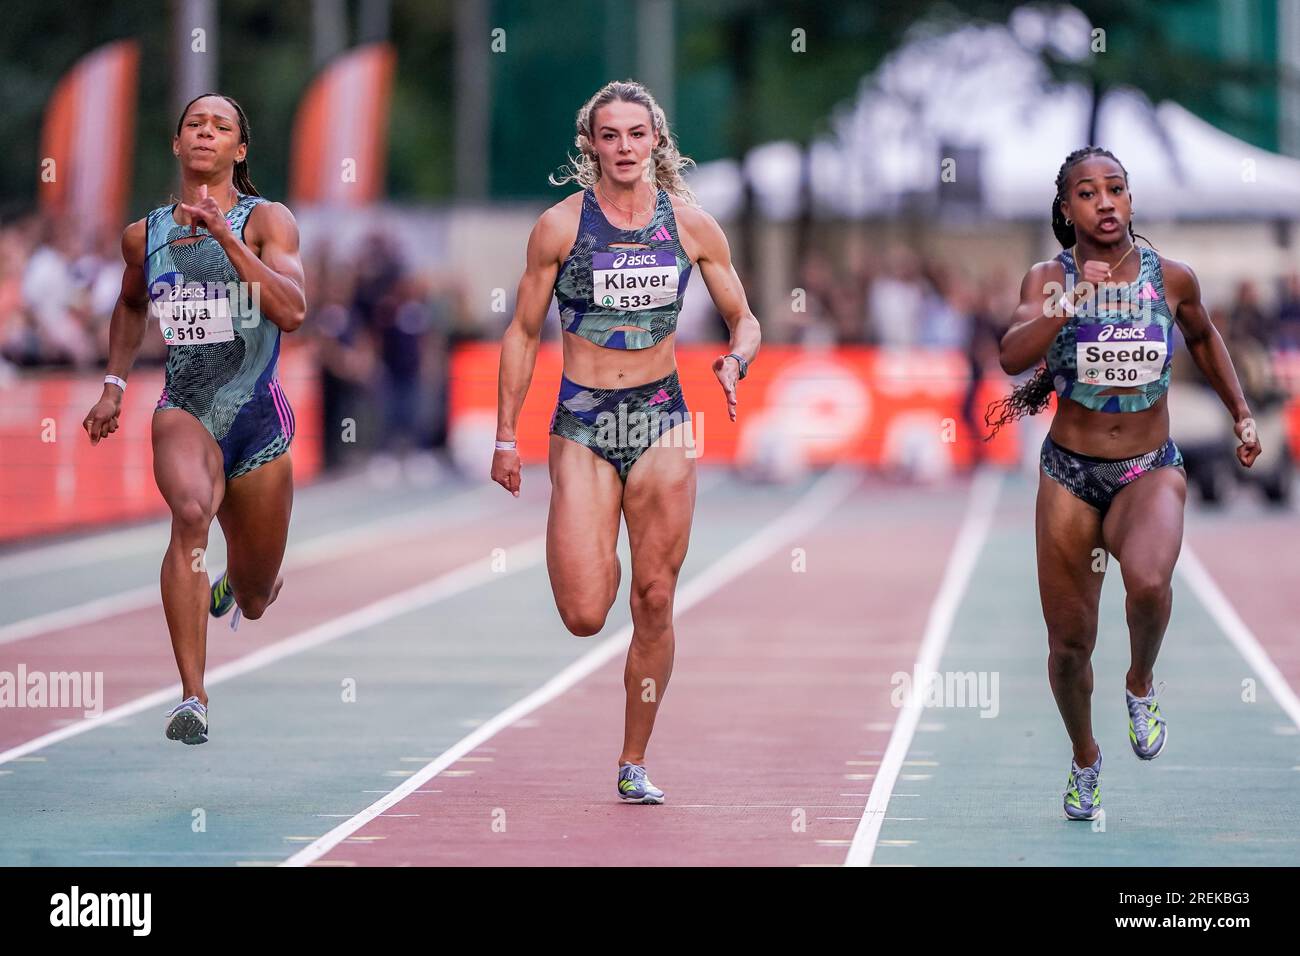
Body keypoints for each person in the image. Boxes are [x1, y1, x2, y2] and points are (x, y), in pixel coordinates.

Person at [491, 80, 761, 803]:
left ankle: (633, 759)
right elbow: (520, 334)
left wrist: (736, 358)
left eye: (636, 135)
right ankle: (596, 538)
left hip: (662, 417)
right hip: (582, 420)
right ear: (591, 145)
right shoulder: (558, 226)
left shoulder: (694, 225)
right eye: (609, 136)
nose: (623, 148)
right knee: (585, 614)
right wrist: (505, 437)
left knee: (655, 594)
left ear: (656, 142)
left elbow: (746, 318)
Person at [985, 146, 1260, 820]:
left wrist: (1242, 413)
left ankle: (1140, 681)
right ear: (1066, 208)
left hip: (1147, 467)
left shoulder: (1173, 278)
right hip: (1070, 475)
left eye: (1116, 189)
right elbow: (1011, 355)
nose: (1105, 202)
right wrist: (1072, 300)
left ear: (1131, 201)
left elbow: (1203, 337)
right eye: (1087, 193)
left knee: (1148, 583)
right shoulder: (1048, 276)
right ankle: (1085, 758)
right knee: (1069, 648)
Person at [82, 93, 306, 745]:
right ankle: (193, 697)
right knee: (189, 516)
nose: (206, 133)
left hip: (259, 424)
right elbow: (128, 304)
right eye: (194, 125)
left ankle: (236, 586)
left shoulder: (269, 221)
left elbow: (292, 311)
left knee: (258, 595)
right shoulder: (144, 235)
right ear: (177, 145)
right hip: (185, 407)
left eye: (222, 126)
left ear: (240, 149)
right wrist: (115, 383)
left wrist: (228, 238)